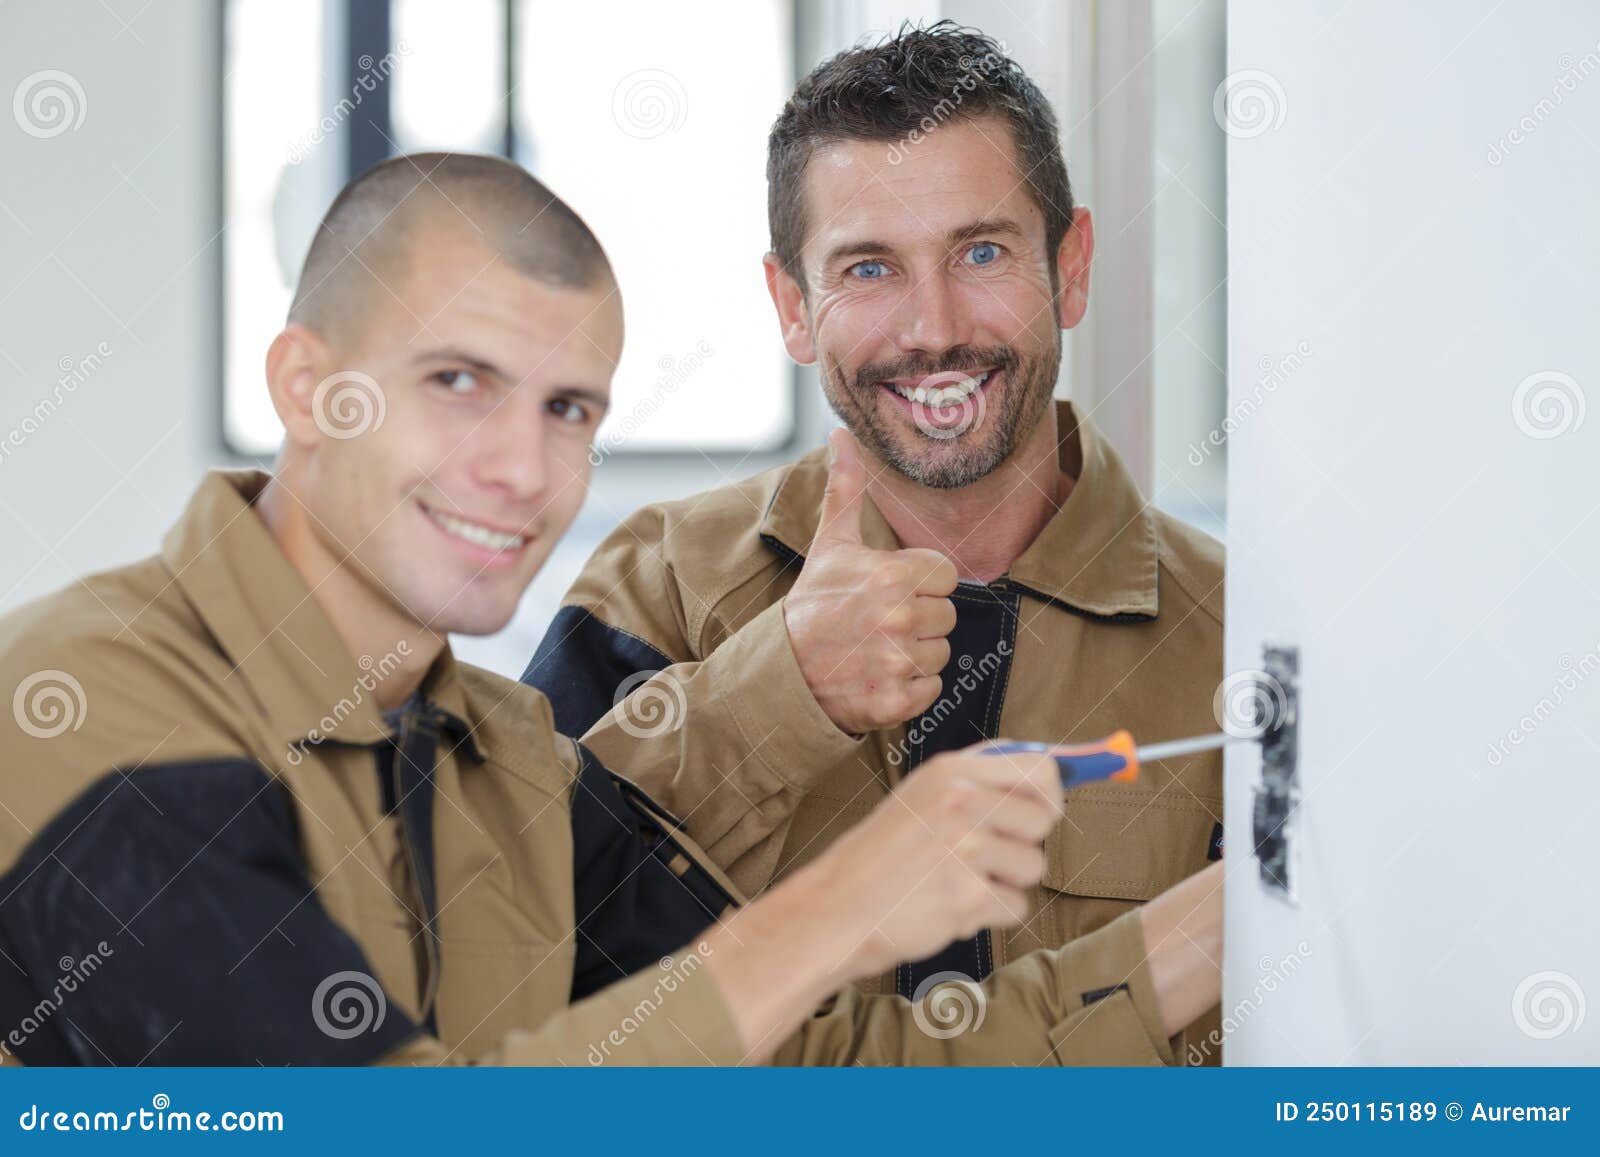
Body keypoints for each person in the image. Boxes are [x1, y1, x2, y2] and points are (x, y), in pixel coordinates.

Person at [0, 151, 1221, 1067]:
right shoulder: (88, 702)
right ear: (307, 387)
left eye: (568, 409)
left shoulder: (512, 766)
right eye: (458, 380)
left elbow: (828, 1076)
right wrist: (846, 902)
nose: (520, 470)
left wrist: (1214, 934)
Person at [522, 24, 1226, 1054]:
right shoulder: (660, 582)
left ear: (1069, 268)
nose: (933, 328)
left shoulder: (1236, 630)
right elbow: (511, 960)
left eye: (980, 252)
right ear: (793, 307)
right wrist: (777, 690)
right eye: (868, 268)